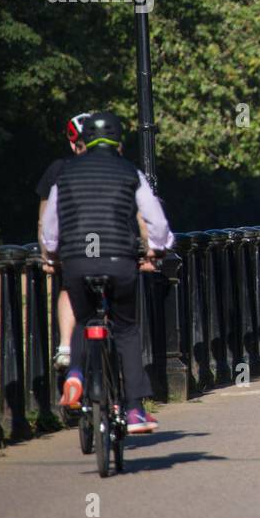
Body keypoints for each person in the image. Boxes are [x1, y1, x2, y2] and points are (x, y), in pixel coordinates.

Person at [39, 111, 174, 434]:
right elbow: (156, 220)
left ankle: (74, 375)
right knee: (126, 329)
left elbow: (51, 226)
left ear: (83, 141)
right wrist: (159, 247)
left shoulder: (65, 174)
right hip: (119, 259)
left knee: (85, 321)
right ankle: (135, 410)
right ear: (119, 143)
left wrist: (52, 254)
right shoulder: (131, 172)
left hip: (77, 261)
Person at [36, 112, 91, 371]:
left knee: (69, 288)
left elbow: (46, 220)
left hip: (72, 250)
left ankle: (66, 347)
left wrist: (48, 255)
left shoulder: (59, 170)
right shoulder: (117, 166)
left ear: (72, 143)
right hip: (113, 252)